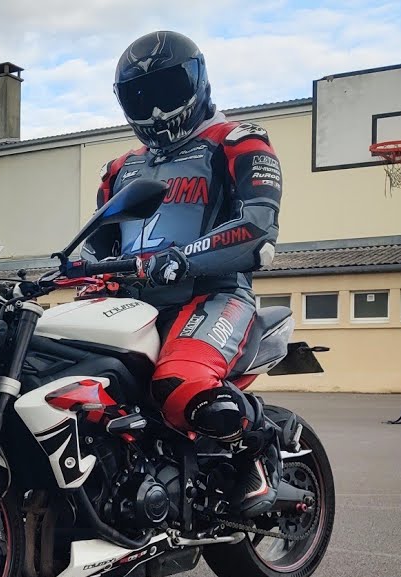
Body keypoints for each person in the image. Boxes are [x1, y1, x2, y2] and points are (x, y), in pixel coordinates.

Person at [81, 30, 285, 516]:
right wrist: (76, 269)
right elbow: (98, 242)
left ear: (198, 83)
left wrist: (183, 257)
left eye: (167, 91)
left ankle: (258, 450)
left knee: (181, 384)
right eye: (141, 97)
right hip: (133, 305)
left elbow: (258, 226)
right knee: (65, 379)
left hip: (214, 295)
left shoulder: (238, 142)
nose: (154, 111)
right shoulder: (120, 170)